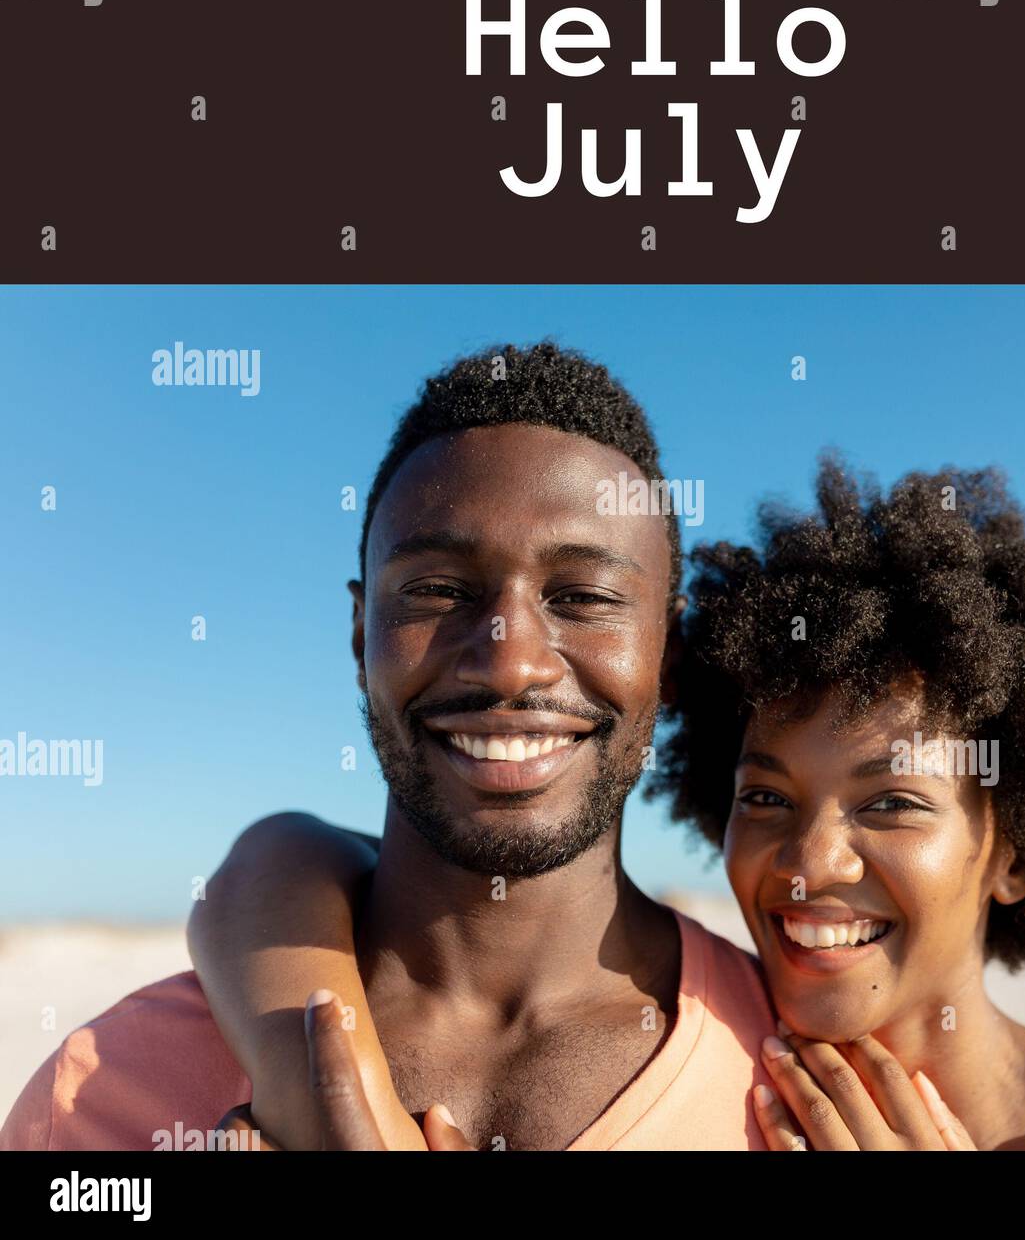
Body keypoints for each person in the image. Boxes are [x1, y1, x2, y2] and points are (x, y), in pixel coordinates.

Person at [180, 457, 1025, 1151]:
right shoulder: (719, 1058)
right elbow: (279, 861)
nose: (810, 861)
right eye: (765, 794)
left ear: (1015, 849)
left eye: (889, 801)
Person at [4, 341, 819, 1152]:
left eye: (583, 597)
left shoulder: (809, 1092)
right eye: (437, 591)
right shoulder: (99, 1094)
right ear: (361, 635)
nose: (510, 662)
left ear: (667, 655)